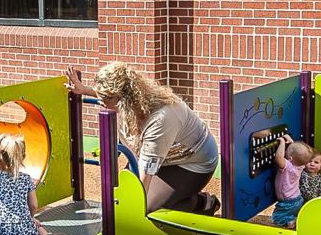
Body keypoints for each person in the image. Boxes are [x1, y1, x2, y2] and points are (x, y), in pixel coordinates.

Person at [65, 62, 219, 214]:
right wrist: (84, 90)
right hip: (162, 157)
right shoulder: (129, 102)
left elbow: (146, 171)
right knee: (123, 196)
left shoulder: (160, 119)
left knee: (150, 207)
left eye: (105, 99)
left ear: (123, 99)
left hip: (192, 162)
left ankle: (203, 203)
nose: (101, 102)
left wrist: (135, 211)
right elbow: (110, 95)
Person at [270, 134, 321, 227]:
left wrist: (282, 143)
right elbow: (299, 155)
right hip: (298, 199)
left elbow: (279, 157)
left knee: (277, 218)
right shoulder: (301, 166)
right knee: (292, 212)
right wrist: (291, 142)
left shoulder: (287, 167)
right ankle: (297, 217)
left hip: (288, 202)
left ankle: (292, 221)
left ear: (290, 158)